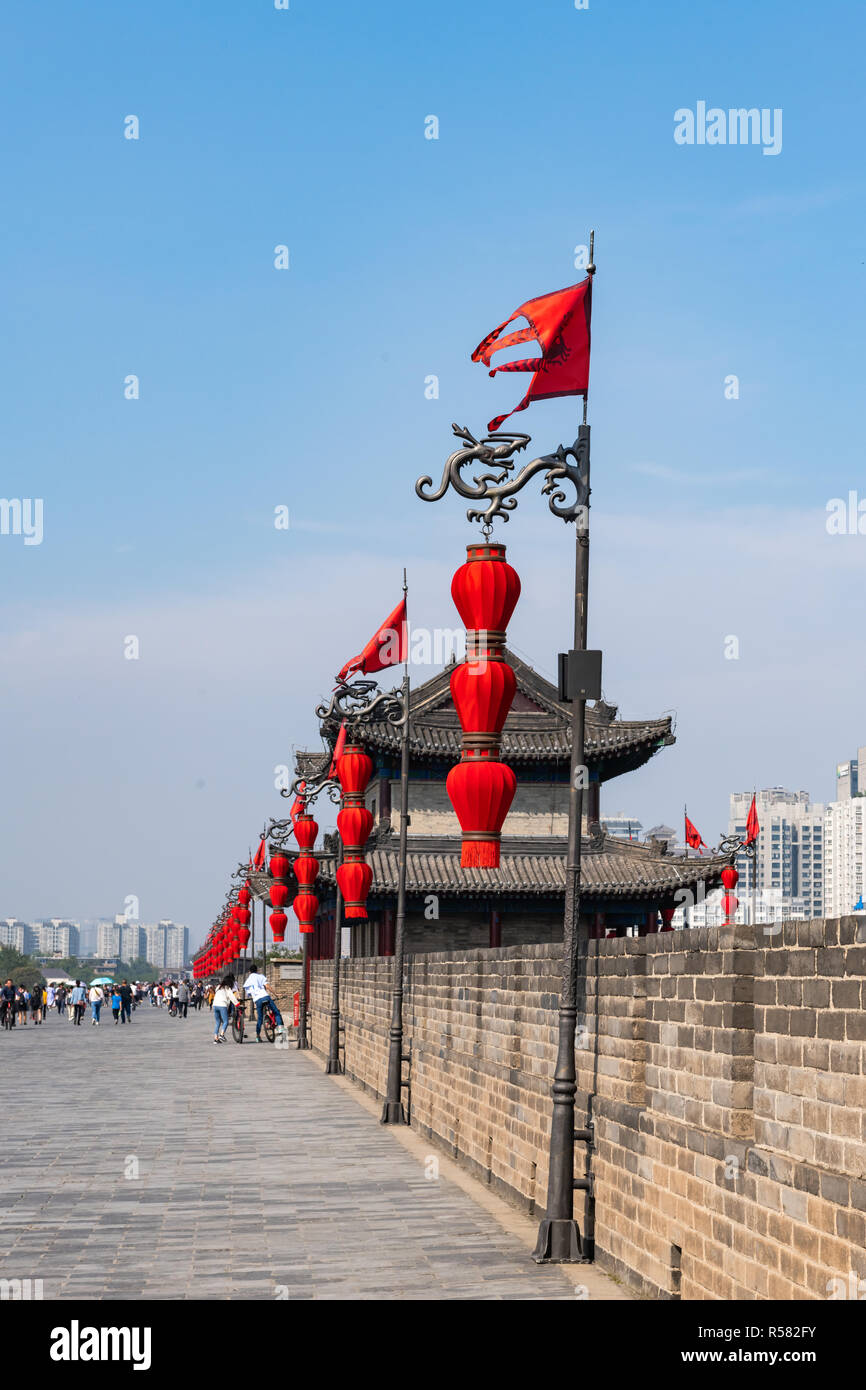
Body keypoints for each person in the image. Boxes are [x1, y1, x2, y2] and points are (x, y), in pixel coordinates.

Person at [242, 961, 283, 1043]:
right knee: (276, 1012)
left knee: (260, 1018)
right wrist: (276, 994)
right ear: (257, 970)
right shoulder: (260, 976)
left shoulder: (248, 981)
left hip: (257, 1000)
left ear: (249, 972)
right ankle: (280, 1030)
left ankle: (257, 1036)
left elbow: (249, 994)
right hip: (265, 996)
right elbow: (267, 986)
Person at [212, 976, 237, 1044]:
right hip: (222, 1005)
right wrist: (237, 1004)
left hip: (215, 1005)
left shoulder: (218, 987)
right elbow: (232, 997)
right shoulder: (227, 988)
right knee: (226, 1021)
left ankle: (215, 1038)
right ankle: (222, 1035)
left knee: (218, 1022)